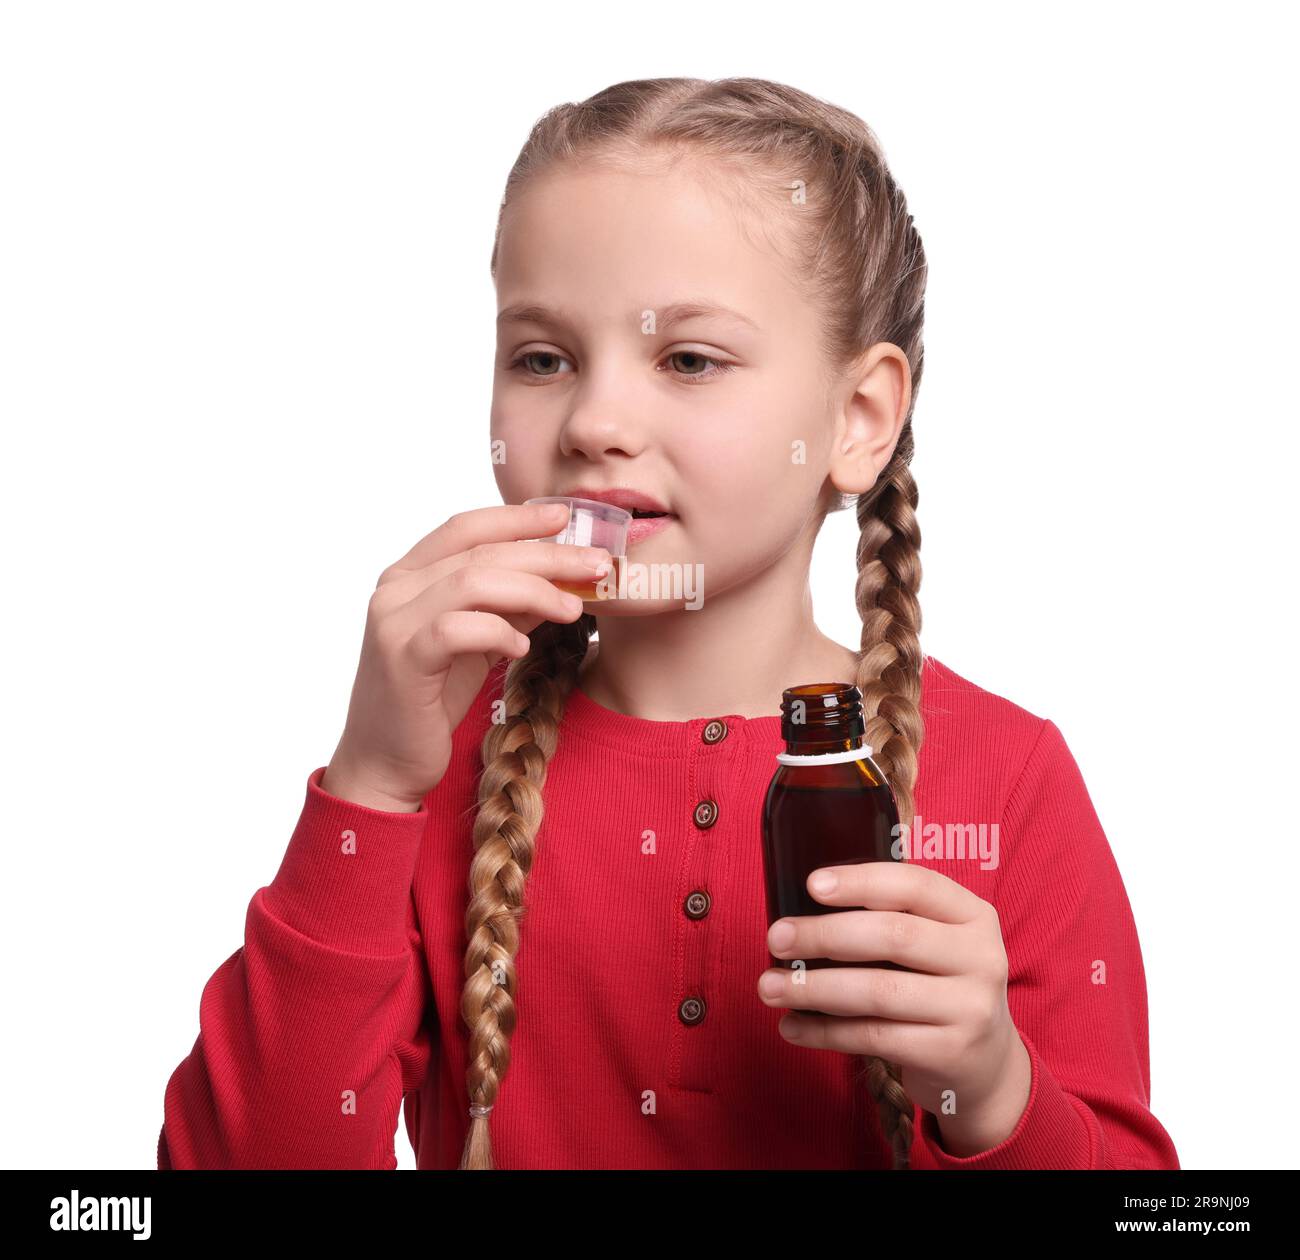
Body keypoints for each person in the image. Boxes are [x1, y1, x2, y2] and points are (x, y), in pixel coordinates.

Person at [158, 76, 1179, 1170]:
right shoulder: (437, 769)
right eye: (542, 358)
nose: (595, 421)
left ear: (858, 418)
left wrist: (991, 1091)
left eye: (688, 359)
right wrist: (368, 785)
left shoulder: (1010, 776)